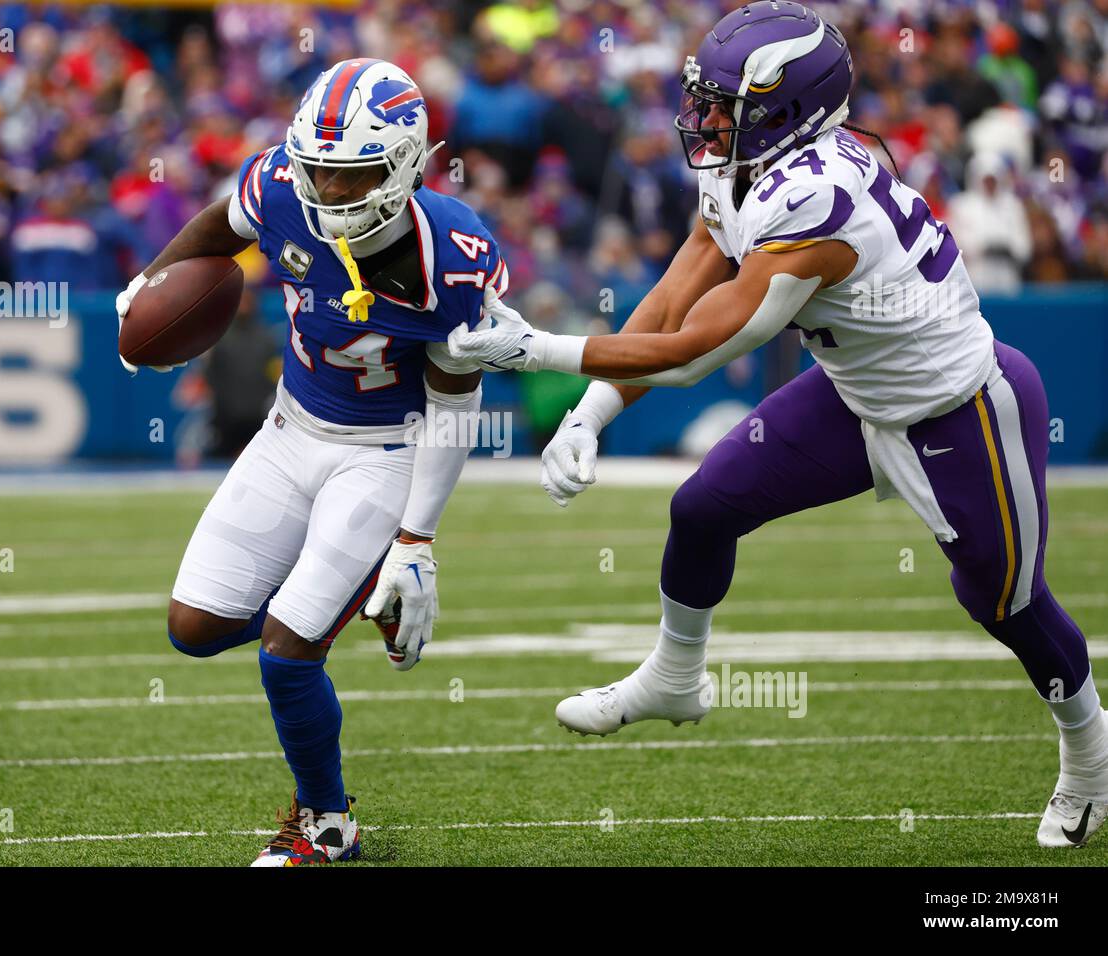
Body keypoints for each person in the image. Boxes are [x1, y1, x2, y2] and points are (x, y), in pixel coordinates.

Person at [449, 1, 1105, 850]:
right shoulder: (754, 163)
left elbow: (691, 353)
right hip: (850, 389)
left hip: (959, 409)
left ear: (786, 113)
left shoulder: (816, 200)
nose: (704, 120)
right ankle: (675, 678)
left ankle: (1089, 756)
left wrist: (534, 351)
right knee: (702, 507)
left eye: (725, 105)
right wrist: (591, 412)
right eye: (706, 99)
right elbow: (685, 280)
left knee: (1005, 603)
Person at [117, 59, 507, 865]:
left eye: (350, 176)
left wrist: (416, 542)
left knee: (288, 655)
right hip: (290, 429)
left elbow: (453, 403)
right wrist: (152, 279)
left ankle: (327, 824)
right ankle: (336, 602)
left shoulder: (452, 257)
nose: (326, 192)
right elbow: (219, 228)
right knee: (192, 629)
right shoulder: (280, 185)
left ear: (405, 165)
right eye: (317, 172)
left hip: (388, 451)